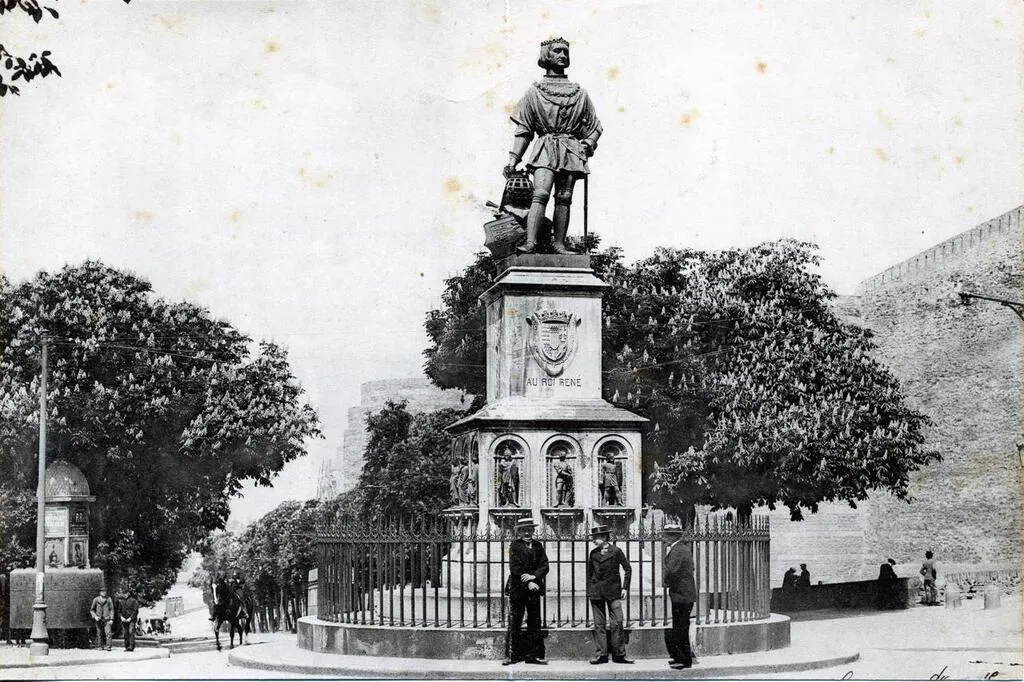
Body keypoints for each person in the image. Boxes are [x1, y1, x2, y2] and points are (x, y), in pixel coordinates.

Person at [504, 37, 602, 254]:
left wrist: (587, 143)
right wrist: (513, 159)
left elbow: (595, 127)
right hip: (545, 148)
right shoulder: (534, 92)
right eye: (558, 51)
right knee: (540, 194)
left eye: (566, 52)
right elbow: (524, 130)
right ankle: (531, 242)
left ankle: (559, 244)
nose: (563, 55)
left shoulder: (580, 93)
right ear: (546, 55)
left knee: (565, 198)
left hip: (571, 149)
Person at [503, 517, 549, 666]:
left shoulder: (538, 546)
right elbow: (515, 567)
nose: (527, 533)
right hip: (519, 589)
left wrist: (534, 577)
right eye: (524, 530)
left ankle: (533, 656)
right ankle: (511, 655)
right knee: (515, 621)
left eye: (529, 530)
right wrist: (529, 581)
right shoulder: (515, 546)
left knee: (534, 622)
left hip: (534, 589)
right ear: (519, 532)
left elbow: (544, 565)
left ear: (533, 531)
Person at [585, 524, 632, 664]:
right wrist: (590, 591)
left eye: (596, 538)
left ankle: (619, 654)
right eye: (593, 538)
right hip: (597, 592)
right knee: (599, 624)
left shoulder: (616, 551)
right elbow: (589, 573)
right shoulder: (593, 553)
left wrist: (625, 588)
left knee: (617, 622)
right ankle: (602, 655)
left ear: (604, 537)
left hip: (613, 591)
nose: (593, 540)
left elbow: (628, 569)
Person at [662, 523, 696, 670]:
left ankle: (684, 659)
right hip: (684, 594)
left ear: (672, 536)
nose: (664, 538)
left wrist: (666, 582)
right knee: (680, 626)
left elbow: (671, 571)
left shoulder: (677, 550)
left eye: (666, 535)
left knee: (681, 627)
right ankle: (680, 657)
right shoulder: (683, 549)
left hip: (681, 595)